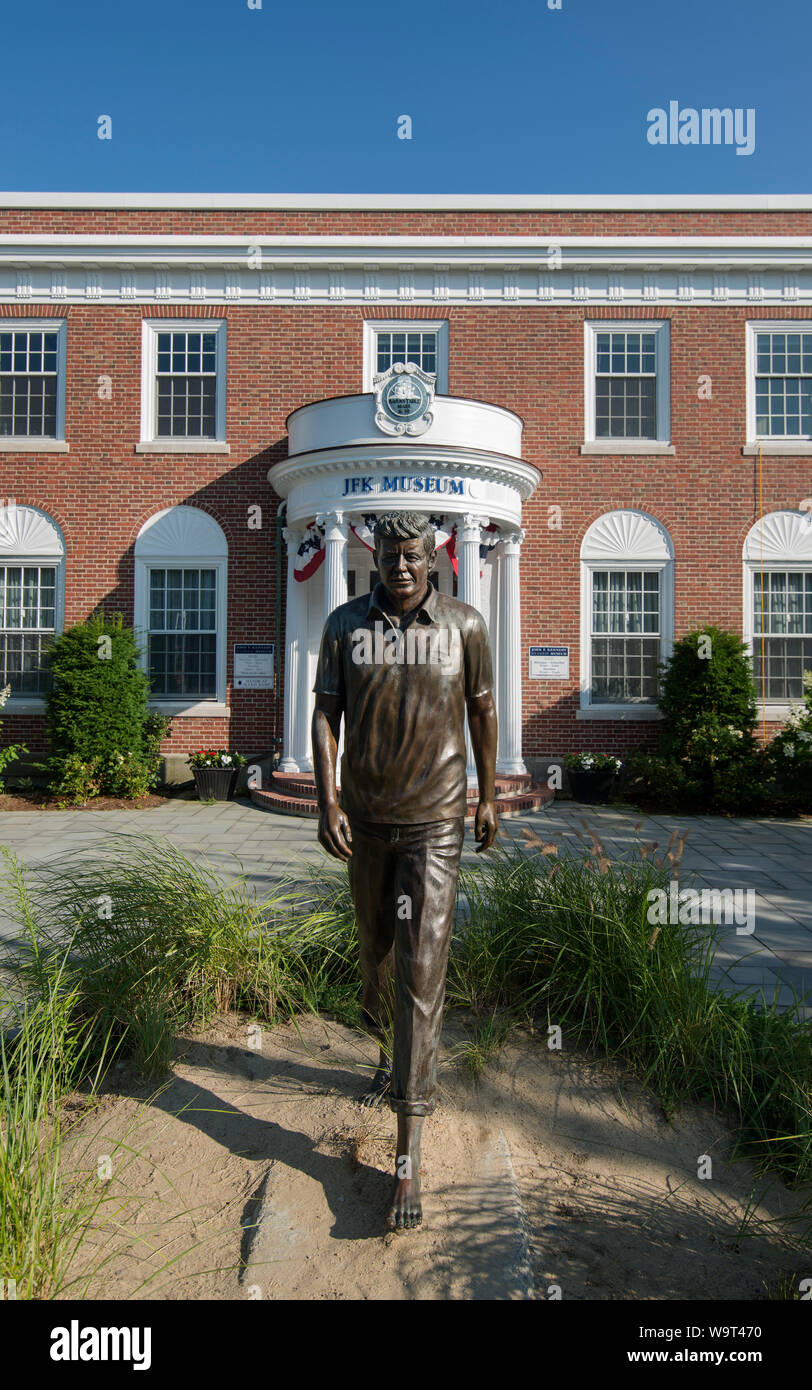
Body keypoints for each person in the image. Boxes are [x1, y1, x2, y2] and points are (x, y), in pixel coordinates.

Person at [311, 511, 498, 1231]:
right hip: (366, 819)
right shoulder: (341, 626)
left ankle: (407, 1156)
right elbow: (326, 712)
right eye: (389, 554)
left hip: (436, 821)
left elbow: (483, 711)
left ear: (435, 558)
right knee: (376, 958)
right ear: (375, 554)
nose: (400, 567)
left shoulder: (466, 626)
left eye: (413, 555)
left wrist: (487, 796)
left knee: (421, 972)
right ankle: (390, 1054)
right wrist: (328, 801)